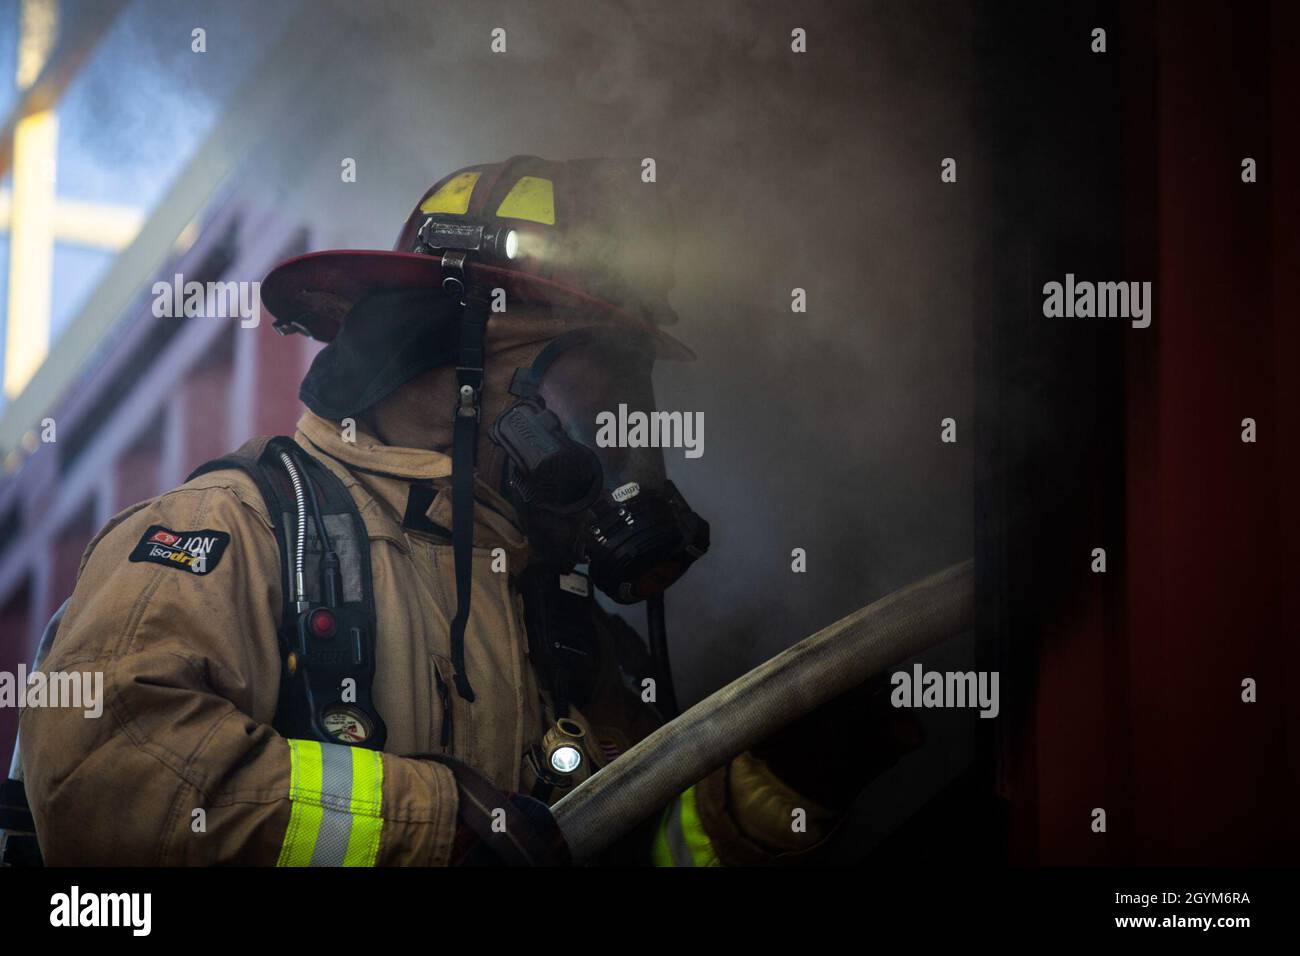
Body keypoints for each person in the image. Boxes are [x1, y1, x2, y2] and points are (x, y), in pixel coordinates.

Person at [19, 156, 916, 866]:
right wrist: (434, 821)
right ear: (459, 370)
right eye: (591, 397)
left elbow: (629, 846)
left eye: (630, 406)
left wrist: (773, 795)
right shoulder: (235, 530)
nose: (616, 444)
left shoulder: (563, 626)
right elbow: (105, 789)